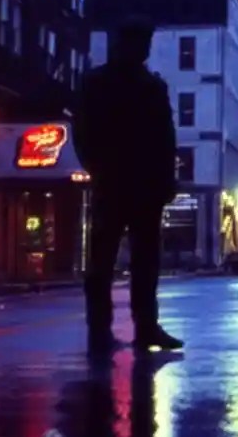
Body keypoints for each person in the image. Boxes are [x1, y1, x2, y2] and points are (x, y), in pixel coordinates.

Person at [73, 18, 183, 354]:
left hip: (124, 181)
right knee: (133, 258)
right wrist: (165, 178)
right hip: (134, 182)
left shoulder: (103, 82)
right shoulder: (145, 86)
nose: (143, 49)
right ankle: (137, 326)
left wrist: (97, 167)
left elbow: (84, 132)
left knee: (111, 257)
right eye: (141, 42)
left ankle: (109, 326)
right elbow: (164, 138)